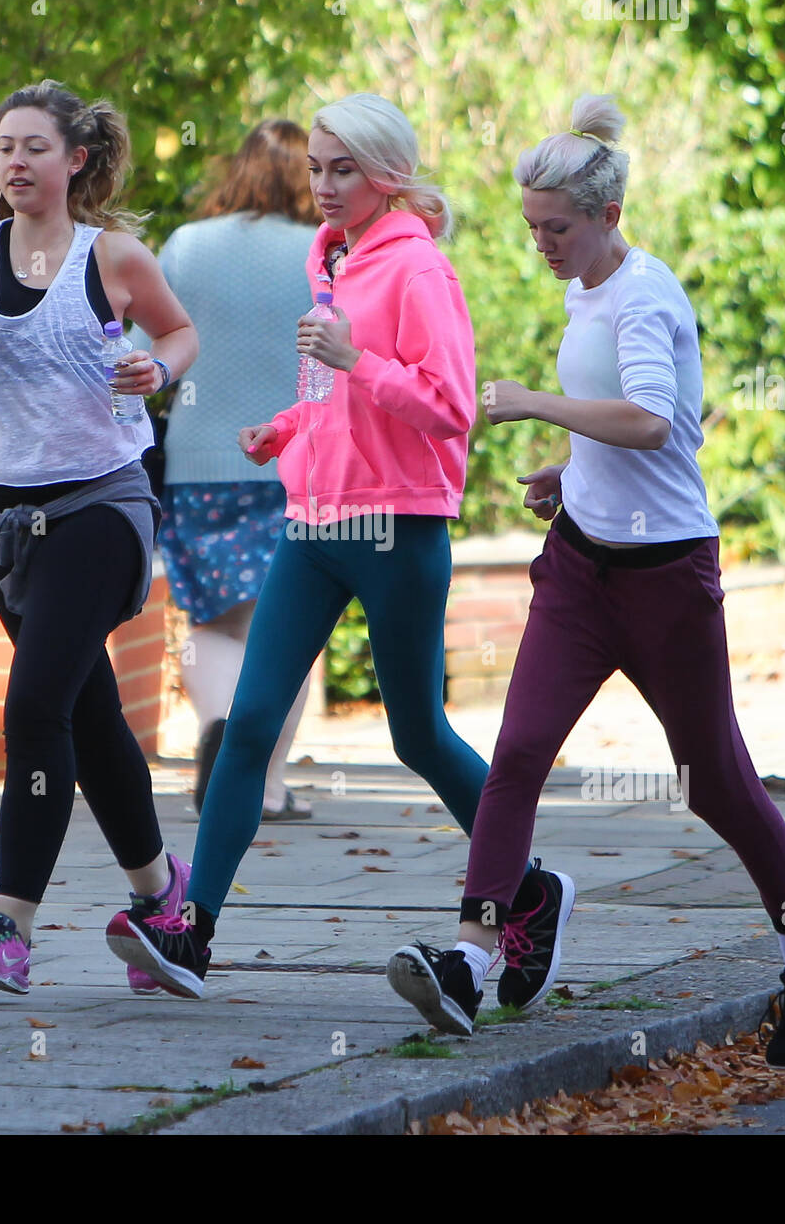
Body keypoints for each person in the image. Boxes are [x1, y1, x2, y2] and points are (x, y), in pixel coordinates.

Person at [385, 94, 785, 1071]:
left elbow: (651, 420)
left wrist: (531, 405)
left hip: (666, 580)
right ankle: (472, 958)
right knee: (515, 751)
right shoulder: (583, 291)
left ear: (604, 216)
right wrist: (570, 468)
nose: (542, 245)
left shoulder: (646, 294)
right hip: (579, 568)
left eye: (555, 228)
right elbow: (615, 429)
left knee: (712, 780)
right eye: (531, 228)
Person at [107, 92, 501, 999]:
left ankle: (518, 884)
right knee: (247, 723)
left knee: (418, 735)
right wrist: (285, 427)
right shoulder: (332, 258)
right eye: (316, 168)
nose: (322, 187)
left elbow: (449, 406)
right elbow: (337, 402)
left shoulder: (418, 272)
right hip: (314, 526)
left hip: (396, 526)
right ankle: (192, 931)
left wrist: (355, 355)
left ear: (388, 174)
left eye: (342, 170)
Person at [0, 79, 198, 996]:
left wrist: (154, 369)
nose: (14, 162)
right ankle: (160, 899)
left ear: (76, 161)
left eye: (34, 148)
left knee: (31, 708)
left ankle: (8, 927)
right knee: (86, 714)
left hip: (100, 508)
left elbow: (180, 335)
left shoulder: (114, 257)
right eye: (3, 147)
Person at [130, 120, 320, 821]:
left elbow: (137, 347)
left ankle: (218, 726)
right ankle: (264, 783)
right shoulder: (324, 253)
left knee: (211, 620)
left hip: (198, 462)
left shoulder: (186, 245)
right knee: (291, 628)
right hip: (296, 462)